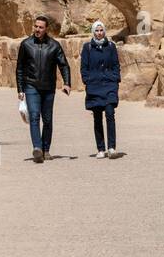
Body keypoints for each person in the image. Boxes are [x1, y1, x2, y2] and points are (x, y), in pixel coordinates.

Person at [16, 14, 71, 162]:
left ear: (46, 29)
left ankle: (46, 149)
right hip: (31, 86)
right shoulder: (26, 44)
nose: (37, 29)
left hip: (48, 88)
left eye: (41, 27)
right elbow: (20, 68)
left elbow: (64, 65)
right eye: (36, 26)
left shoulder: (54, 45)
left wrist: (67, 83)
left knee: (47, 120)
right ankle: (37, 148)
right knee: (34, 116)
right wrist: (20, 89)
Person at [80, 20, 121, 158]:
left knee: (110, 114)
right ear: (93, 32)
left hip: (109, 84)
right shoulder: (87, 47)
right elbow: (84, 67)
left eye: (101, 30)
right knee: (97, 117)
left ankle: (111, 147)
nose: (99, 33)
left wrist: (115, 79)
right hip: (94, 86)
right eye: (96, 30)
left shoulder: (110, 46)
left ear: (104, 31)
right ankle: (101, 148)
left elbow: (116, 64)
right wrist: (87, 80)